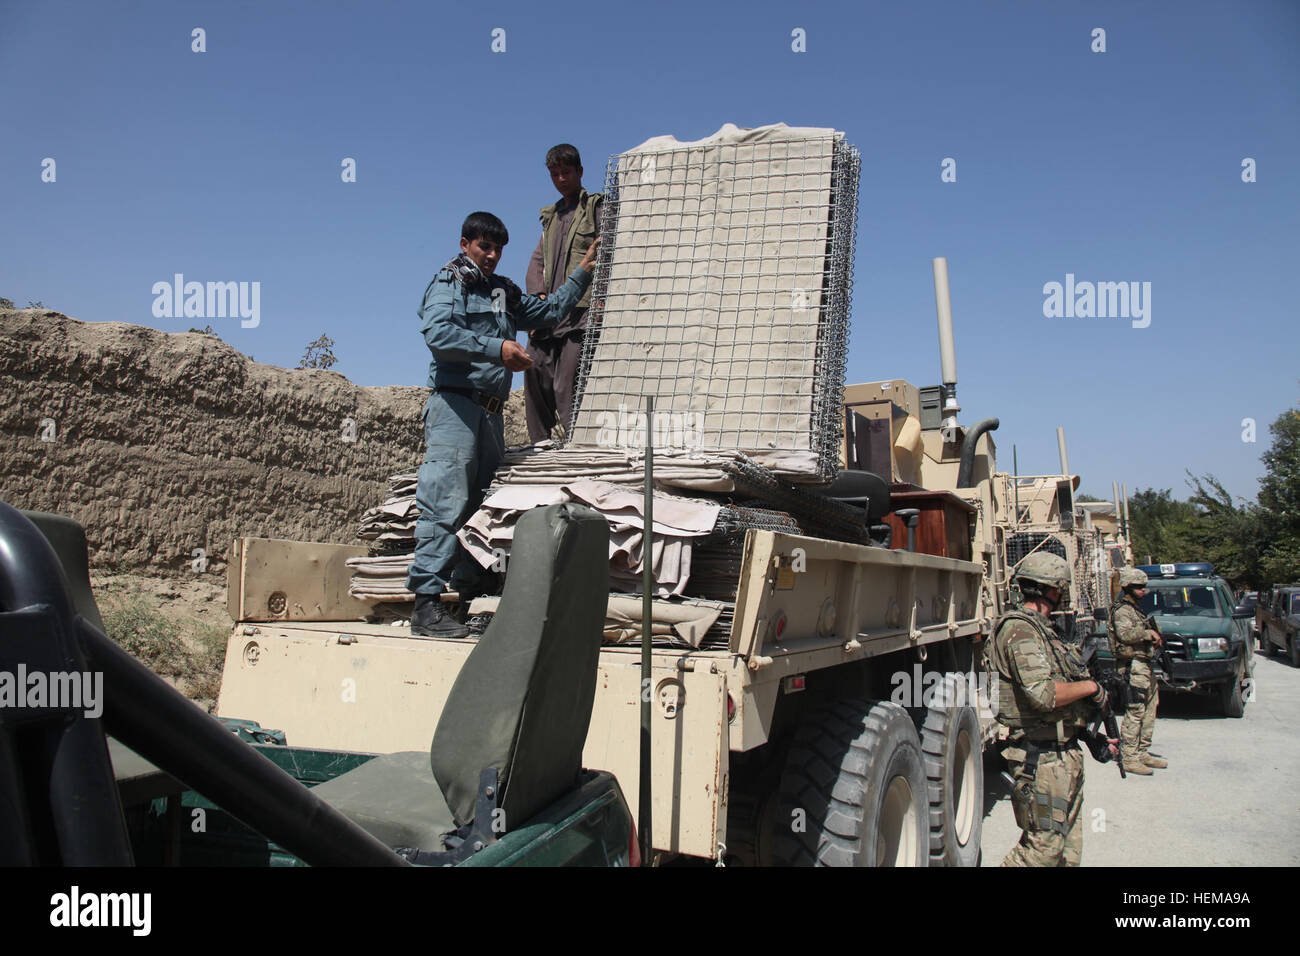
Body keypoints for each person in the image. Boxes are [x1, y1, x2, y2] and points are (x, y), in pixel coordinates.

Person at [408, 211, 599, 637]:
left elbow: (548, 311)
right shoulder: (450, 282)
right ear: (465, 244)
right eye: (484, 247)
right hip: (456, 407)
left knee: (479, 508)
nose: (492, 256)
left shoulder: (501, 292)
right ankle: (425, 606)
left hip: (490, 415)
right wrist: (498, 349)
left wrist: (582, 274)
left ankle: (463, 599)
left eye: (497, 250)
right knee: (445, 500)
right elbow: (438, 334)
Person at [985, 552, 1113, 866]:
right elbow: (1044, 695)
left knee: (1066, 854)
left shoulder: (1044, 631)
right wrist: (1093, 688)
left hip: (1061, 755)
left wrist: (1087, 734)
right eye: (1060, 588)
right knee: (1040, 853)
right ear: (1051, 589)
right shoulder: (1021, 631)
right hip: (1039, 761)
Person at [523, 144, 604, 444]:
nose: (560, 179)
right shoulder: (551, 217)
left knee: (566, 384)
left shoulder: (596, 208)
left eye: (566, 173)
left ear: (580, 172)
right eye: (554, 174)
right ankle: (539, 444)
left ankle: (575, 446)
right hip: (550, 313)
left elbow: (609, 255)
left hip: (580, 313)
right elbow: (537, 261)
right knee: (532, 365)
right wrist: (537, 297)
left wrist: (601, 297)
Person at [1108, 568, 1166, 774]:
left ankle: (1142, 751)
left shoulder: (1135, 609)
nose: (1143, 590)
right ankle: (1130, 756)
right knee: (1136, 710)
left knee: (1150, 708)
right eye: (1138, 587)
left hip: (1144, 665)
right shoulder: (1123, 610)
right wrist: (1147, 633)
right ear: (1127, 588)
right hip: (1132, 666)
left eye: (1144, 587)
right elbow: (1124, 635)